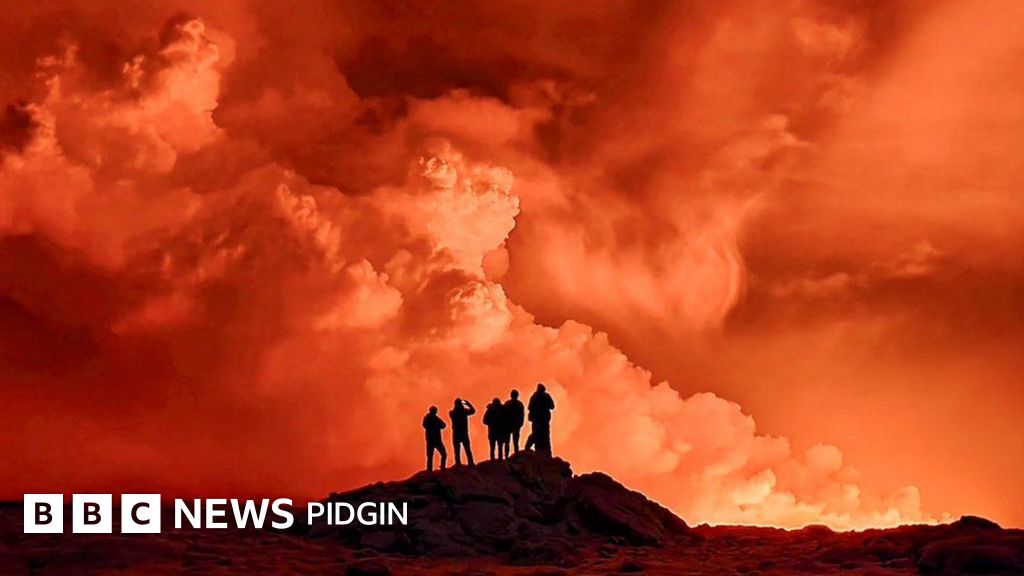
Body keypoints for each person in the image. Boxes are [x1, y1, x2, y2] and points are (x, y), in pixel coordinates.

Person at [527, 383, 555, 456]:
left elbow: (552, 406)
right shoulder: (535, 397)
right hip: (538, 420)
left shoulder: (542, 396)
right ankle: (539, 452)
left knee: (543, 436)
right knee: (537, 435)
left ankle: (545, 453)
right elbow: (530, 408)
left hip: (543, 420)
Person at [449, 397, 476, 466]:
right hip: (463, 433)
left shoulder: (452, 413)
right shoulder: (464, 412)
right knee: (467, 449)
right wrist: (467, 404)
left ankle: (458, 463)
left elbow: (473, 411)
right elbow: (473, 411)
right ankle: (470, 462)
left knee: (457, 449)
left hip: (456, 433)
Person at [422, 406, 447, 472]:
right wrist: (436, 426)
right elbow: (443, 425)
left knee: (430, 456)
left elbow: (444, 425)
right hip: (436, 440)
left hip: (431, 440)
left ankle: (430, 470)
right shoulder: (435, 418)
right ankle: (442, 467)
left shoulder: (427, 418)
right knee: (443, 454)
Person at [503, 389, 525, 455]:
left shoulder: (510, 404)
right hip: (510, 425)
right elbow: (503, 415)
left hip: (514, 425)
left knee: (513, 442)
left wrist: (520, 423)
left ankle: (515, 454)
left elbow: (522, 415)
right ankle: (509, 455)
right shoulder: (517, 404)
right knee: (509, 442)